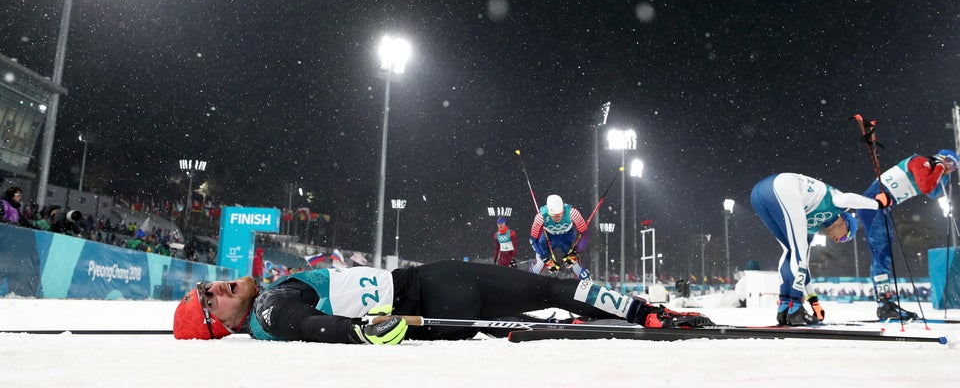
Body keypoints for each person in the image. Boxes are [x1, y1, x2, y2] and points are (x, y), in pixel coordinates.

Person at [172, 259, 715, 342]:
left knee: (552, 287)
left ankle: (645, 312)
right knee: (550, 290)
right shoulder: (268, 311)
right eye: (209, 300)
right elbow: (307, 323)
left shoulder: (267, 293)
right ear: (218, 324)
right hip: (430, 297)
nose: (216, 287)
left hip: (431, 282)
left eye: (210, 285)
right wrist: (360, 331)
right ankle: (643, 313)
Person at [750, 172, 890, 326]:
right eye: (845, 237)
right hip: (783, 186)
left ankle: (784, 307)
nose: (839, 241)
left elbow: (803, 265)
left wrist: (813, 301)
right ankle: (795, 310)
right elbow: (848, 197)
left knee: (790, 251)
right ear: (845, 223)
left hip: (759, 195)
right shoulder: (838, 206)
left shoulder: (812, 227)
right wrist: (877, 204)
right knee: (798, 249)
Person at [856, 149, 959, 320]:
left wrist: (943, 174)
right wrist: (941, 168)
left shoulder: (931, 169)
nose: (951, 170)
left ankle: (885, 303)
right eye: (951, 165)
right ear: (943, 159)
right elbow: (926, 186)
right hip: (872, 206)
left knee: (883, 256)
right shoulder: (919, 161)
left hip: (879, 207)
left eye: (954, 169)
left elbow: (932, 192)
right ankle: (884, 304)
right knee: (882, 256)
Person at [529, 194, 590, 279]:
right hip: (548, 238)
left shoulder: (572, 212)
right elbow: (533, 240)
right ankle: (530, 279)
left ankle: (586, 282)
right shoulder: (541, 216)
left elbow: (585, 234)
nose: (557, 218)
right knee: (540, 261)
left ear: (562, 210)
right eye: (553, 215)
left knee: (573, 261)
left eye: (559, 214)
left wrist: (575, 251)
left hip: (566, 237)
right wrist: (545, 258)